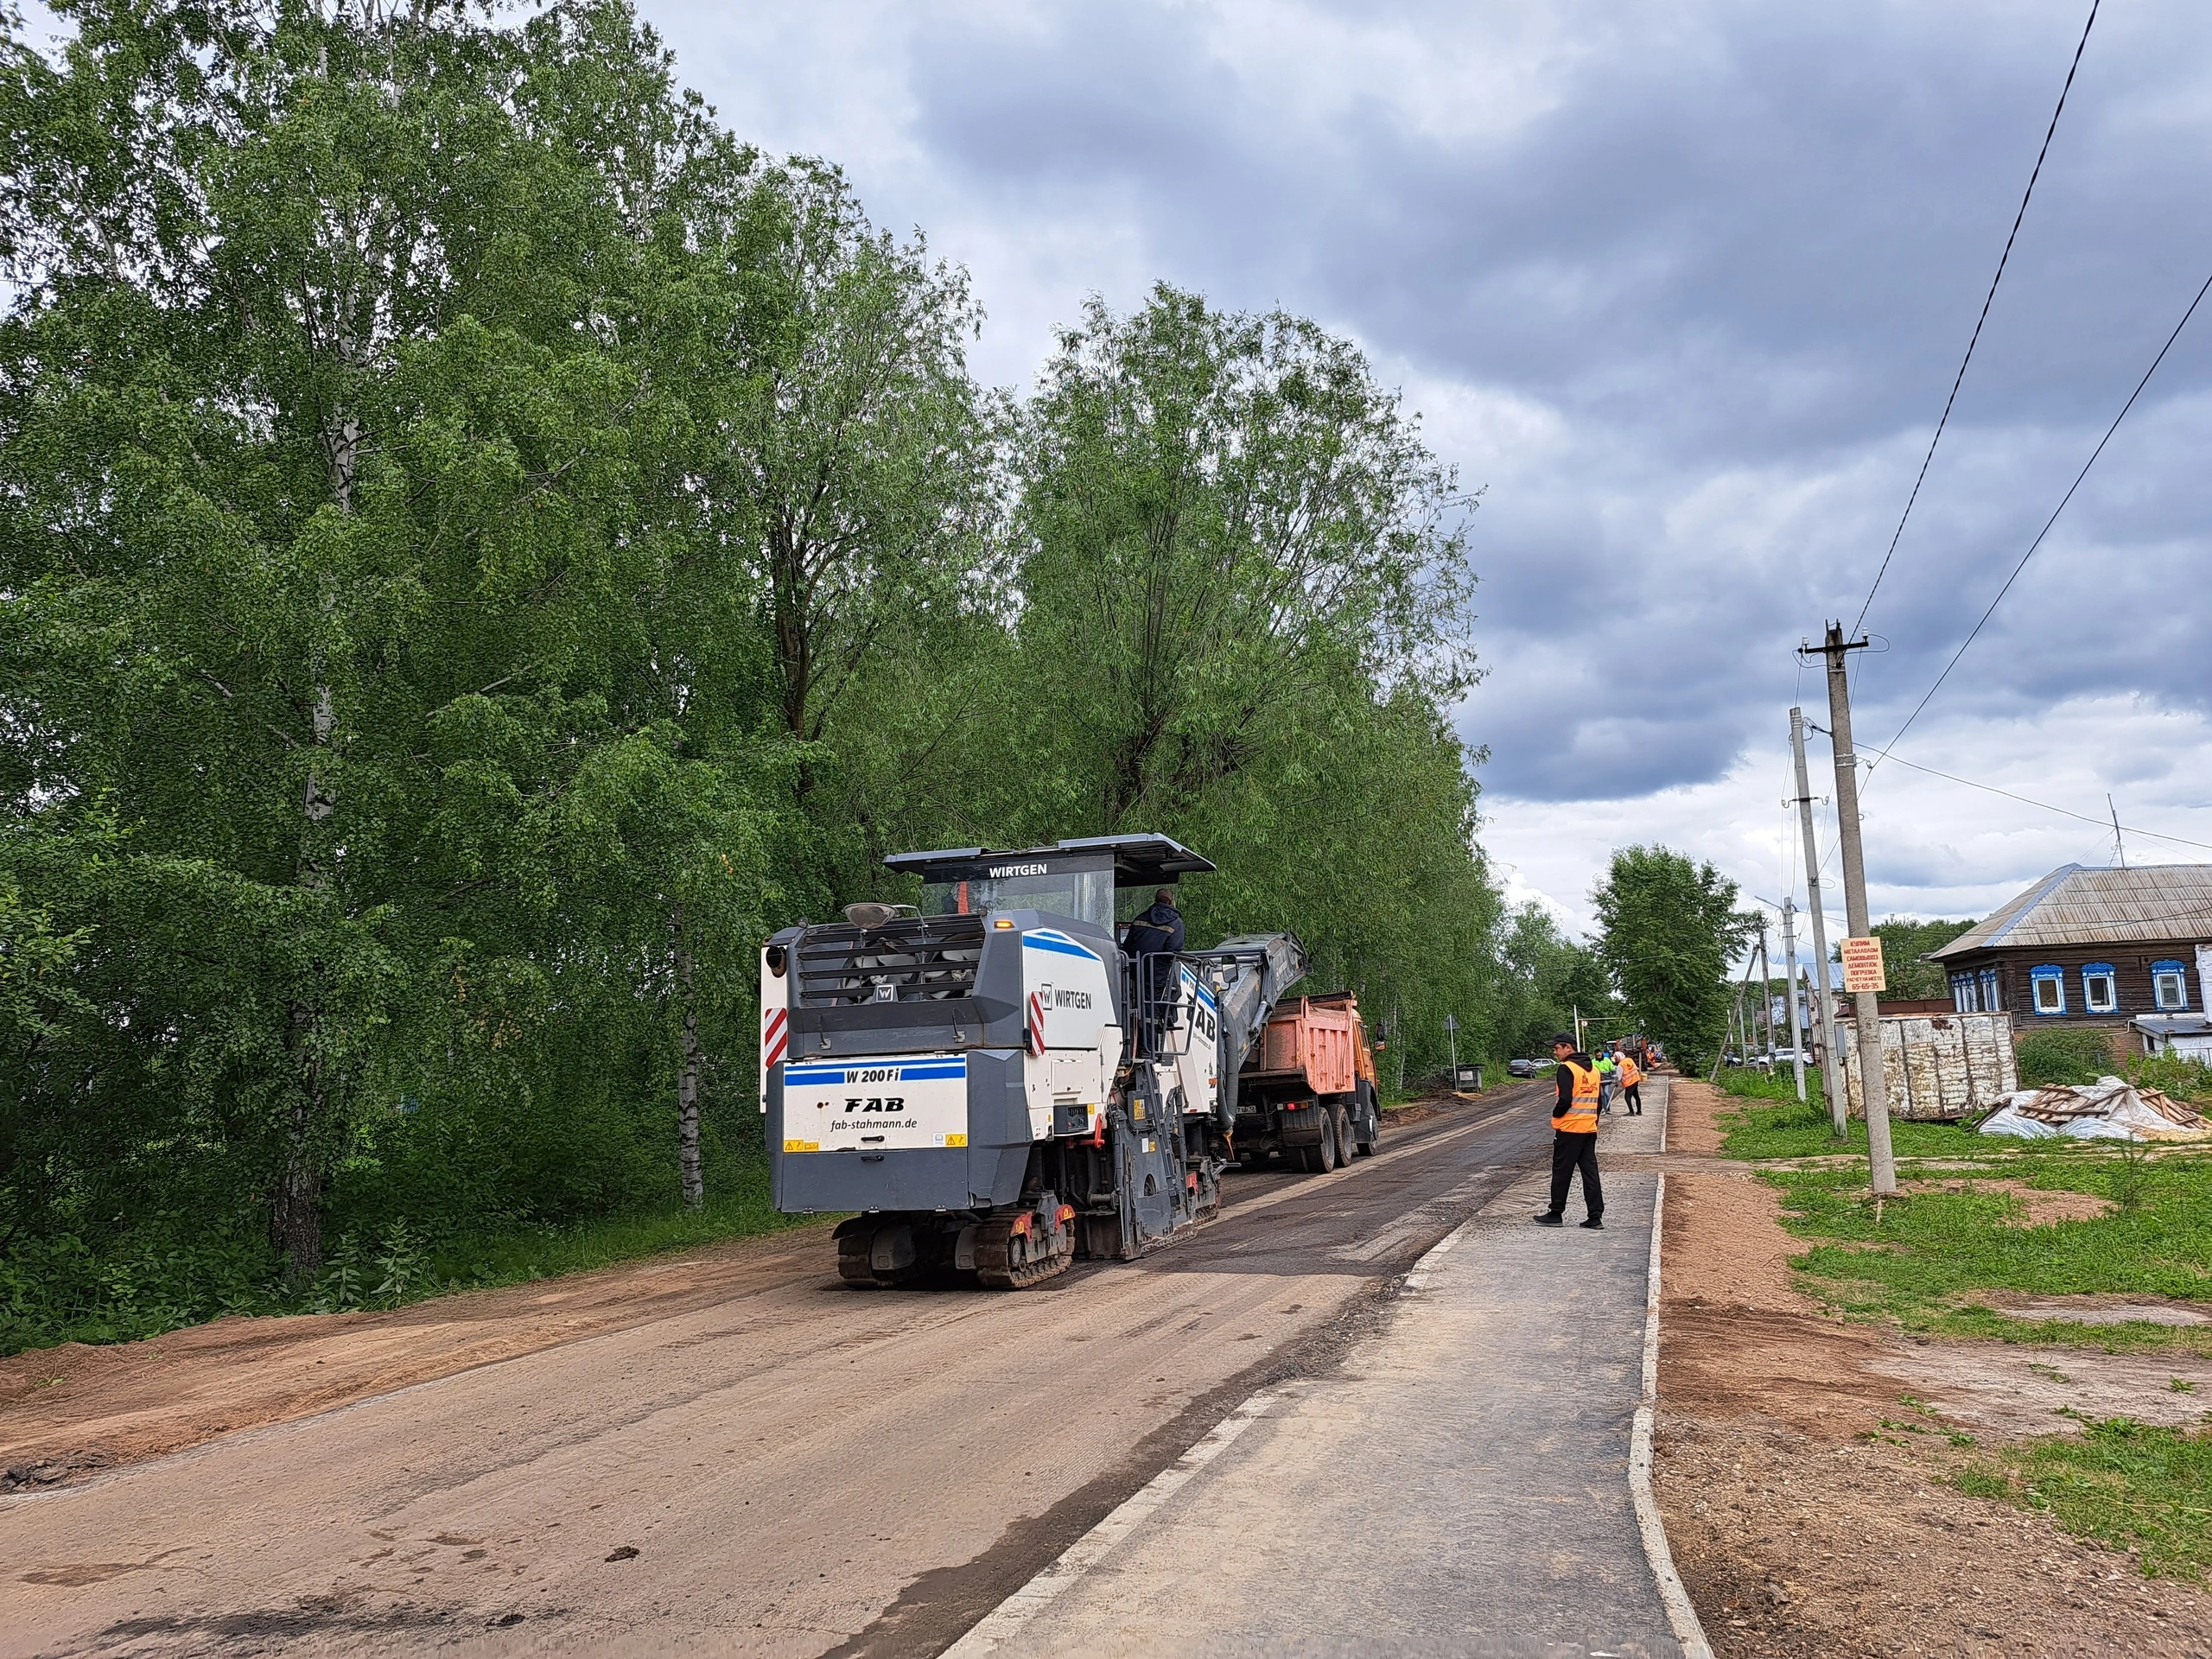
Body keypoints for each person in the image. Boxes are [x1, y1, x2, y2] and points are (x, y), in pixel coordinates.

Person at [1535, 1032, 1604, 1230]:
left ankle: (1556, 1213)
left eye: (1557, 1048)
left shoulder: (1567, 1068)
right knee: (1590, 1173)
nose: (1555, 1052)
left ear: (1568, 1048)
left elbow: (1565, 1100)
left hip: (1569, 1129)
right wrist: (1593, 1121)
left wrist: (1556, 1115)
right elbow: (1598, 1102)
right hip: (1589, 1128)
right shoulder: (1593, 1070)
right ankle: (1595, 1216)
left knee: (1561, 1172)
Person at [1618, 1045, 1645, 1116]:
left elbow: (1619, 1077)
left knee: (1627, 1097)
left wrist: (1616, 1082)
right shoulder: (1629, 1060)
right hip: (1635, 1079)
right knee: (1636, 1096)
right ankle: (1639, 1111)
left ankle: (1631, 1111)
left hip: (1629, 1082)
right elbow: (1636, 1068)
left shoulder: (1621, 1064)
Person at [1595, 1047, 1618, 1116]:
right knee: (1602, 1095)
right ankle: (1605, 1108)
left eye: (1600, 1055)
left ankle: (1608, 1108)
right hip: (1599, 1081)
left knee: (1606, 1093)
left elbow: (1612, 1069)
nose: (1599, 1056)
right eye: (1597, 1056)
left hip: (1607, 1080)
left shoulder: (1607, 1060)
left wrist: (1615, 1079)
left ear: (1601, 1054)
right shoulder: (1593, 1061)